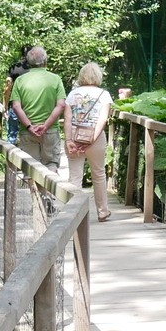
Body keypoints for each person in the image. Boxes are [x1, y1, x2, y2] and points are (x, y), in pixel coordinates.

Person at [63, 62, 114, 221]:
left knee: (75, 176)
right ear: (98, 76)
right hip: (96, 139)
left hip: (75, 138)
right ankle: (102, 211)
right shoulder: (104, 94)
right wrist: (92, 139)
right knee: (98, 174)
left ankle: (73, 213)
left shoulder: (72, 94)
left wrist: (69, 140)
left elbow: (67, 119)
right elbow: (103, 119)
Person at [9, 45, 66, 167]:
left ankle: (35, 187)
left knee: (31, 168)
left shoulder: (20, 80)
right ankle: (49, 186)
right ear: (45, 60)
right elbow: (61, 105)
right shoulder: (55, 79)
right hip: (50, 131)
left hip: (27, 132)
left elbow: (16, 107)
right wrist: (45, 126)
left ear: (28, 62)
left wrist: (30, 127)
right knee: (51, 164)